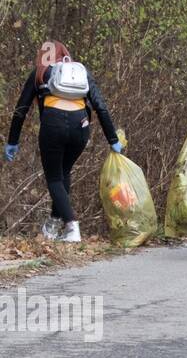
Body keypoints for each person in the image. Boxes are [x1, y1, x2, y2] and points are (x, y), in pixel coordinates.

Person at [5, 41, 122, 243]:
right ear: (65, 54)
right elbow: (100, 107)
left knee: (54, 178)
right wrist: (113, 139)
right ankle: (53, 223)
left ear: (43, 56)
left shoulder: (39, 73)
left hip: (53, 125)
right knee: (63, 172)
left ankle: (71, 226)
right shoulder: (80, 72)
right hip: (81, 127)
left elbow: (21, 110)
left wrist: (12, 141)